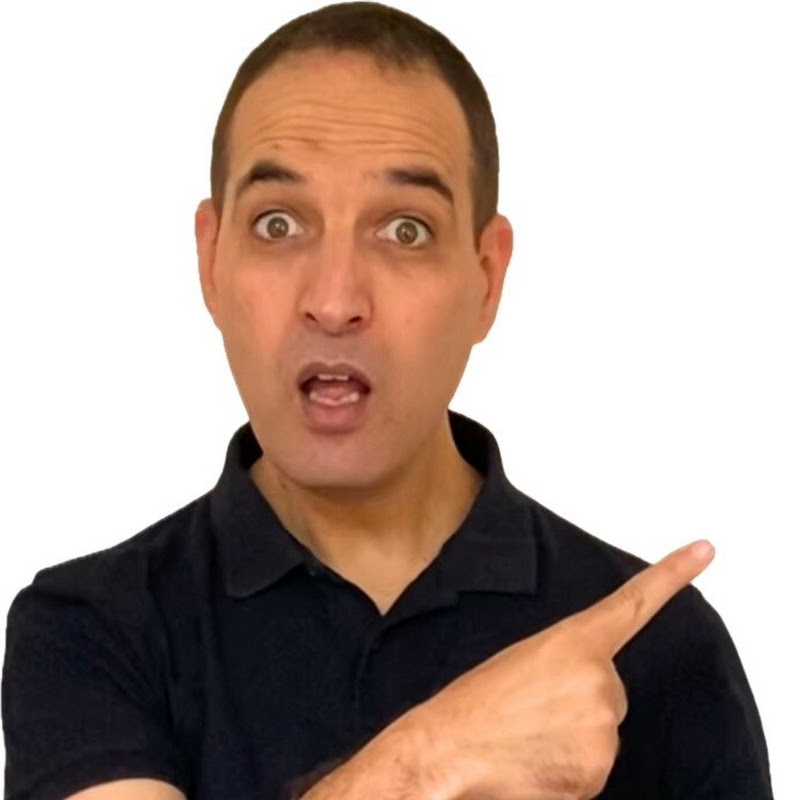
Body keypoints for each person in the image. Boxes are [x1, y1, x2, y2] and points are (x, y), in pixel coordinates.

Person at [2, 3, 773, 799]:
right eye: (277, 224)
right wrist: (432, 758)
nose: (335, 301)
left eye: (405, 230)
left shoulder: (658, 650)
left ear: (486, 279)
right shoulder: (89, 630)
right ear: (211, 260)